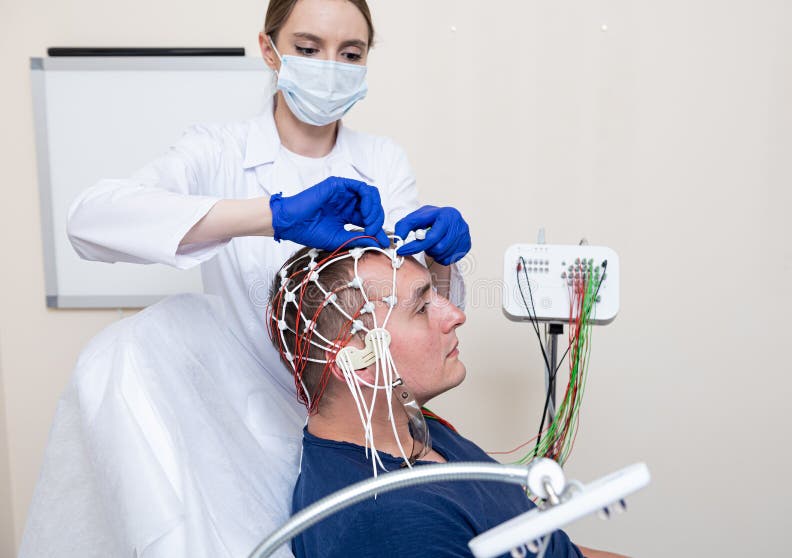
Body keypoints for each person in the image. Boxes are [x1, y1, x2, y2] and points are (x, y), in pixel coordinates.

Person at [21, 1, 470, 557]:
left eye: (349, 53)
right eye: (308, 49)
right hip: (245, 429)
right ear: (269, 50)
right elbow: (89, 222)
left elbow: (411, 306)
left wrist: (443, 262)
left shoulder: (380, 161)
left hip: (364, 425)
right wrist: (270, 216)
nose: (329, 65)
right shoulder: (219, 150)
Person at [268, 244, 625, 558]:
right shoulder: (392, 523)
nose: (456, 315)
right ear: (358, 359)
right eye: (422, 308)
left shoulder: (412, 428)